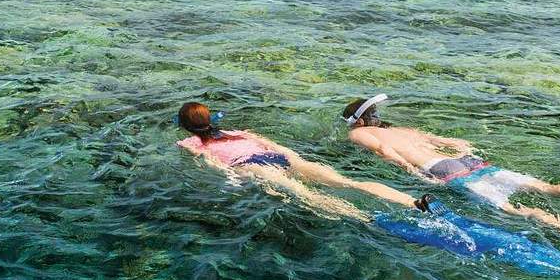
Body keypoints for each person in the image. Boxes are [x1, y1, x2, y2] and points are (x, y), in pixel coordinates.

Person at [341, 95, 560, 237]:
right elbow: (455, 142)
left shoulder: (359, 134)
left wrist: (414, 172)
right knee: (548, 188)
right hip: (470, 161)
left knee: (510, 210)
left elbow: (384, 152)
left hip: (445, 170)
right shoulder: (402, 129)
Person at [176, 102, 425, 222]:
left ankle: (368, 219)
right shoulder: (237, 132)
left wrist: (234, 177)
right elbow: (271, 144)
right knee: (347, 182)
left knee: (306, 195)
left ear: (186, 127)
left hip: (250, 164)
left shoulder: (190, 144)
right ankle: (413, 201)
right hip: (281, 157)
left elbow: (211, 162)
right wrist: (293, 158)